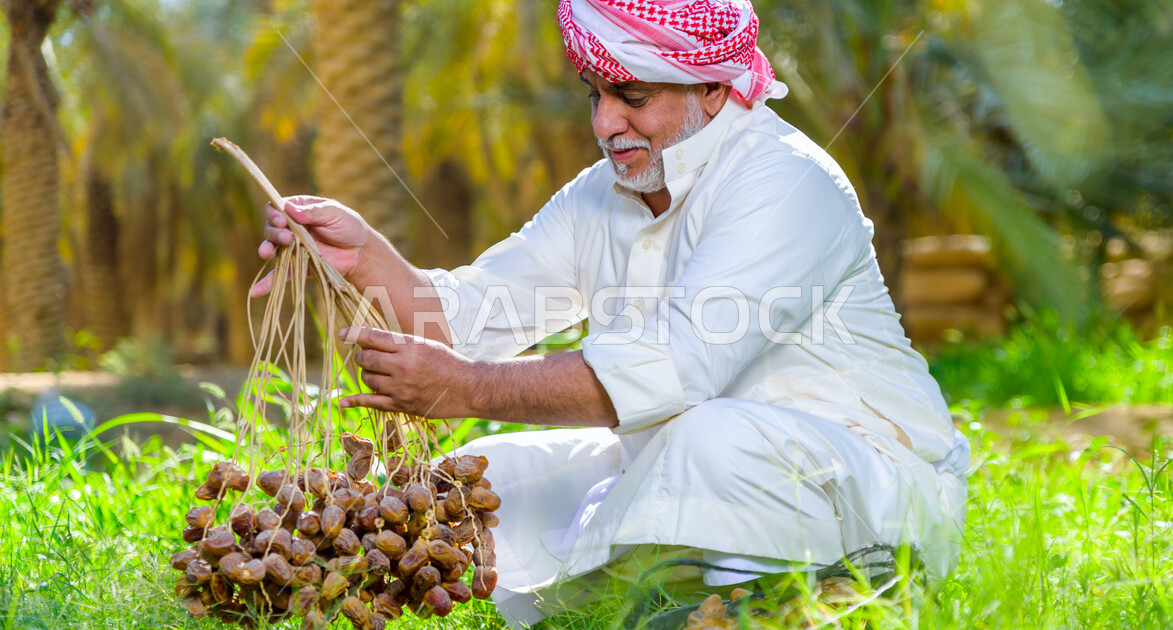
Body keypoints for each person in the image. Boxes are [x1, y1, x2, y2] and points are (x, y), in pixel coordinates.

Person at [256, 0, 970, 626]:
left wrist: (464, 389)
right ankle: (664, 594)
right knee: (462, 490)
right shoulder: (602, 194)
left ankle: (790, 597)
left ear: (715, 89)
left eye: (632, 95)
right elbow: (467, 318)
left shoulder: (786, 181)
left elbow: (671, 369)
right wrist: (366, 258)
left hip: (863, 482)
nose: (606, 122)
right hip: (680, 456)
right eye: (595, 93)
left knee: (712, 441)